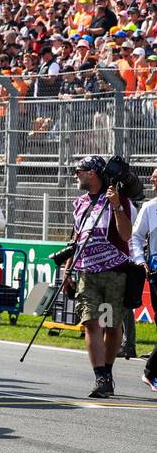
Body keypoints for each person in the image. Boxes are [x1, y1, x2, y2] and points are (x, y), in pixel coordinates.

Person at [67, 155, 135, 398]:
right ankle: (100, 377)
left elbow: (126, 235)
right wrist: (68, 268)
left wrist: (116, 205)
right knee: (90, 322)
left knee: (111, 325)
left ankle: (107, 370)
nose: (76, 175)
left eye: (79, 171)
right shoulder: (80, 203)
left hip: (113, 273)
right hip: (87, 272)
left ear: (92, 173)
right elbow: (77, 238)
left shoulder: (120, 201)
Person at [127, 165, 157, 393]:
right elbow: (135, 238)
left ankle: (151, 370)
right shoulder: (149, 208)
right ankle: (150, 371)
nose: (152, 178)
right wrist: (140, 260)